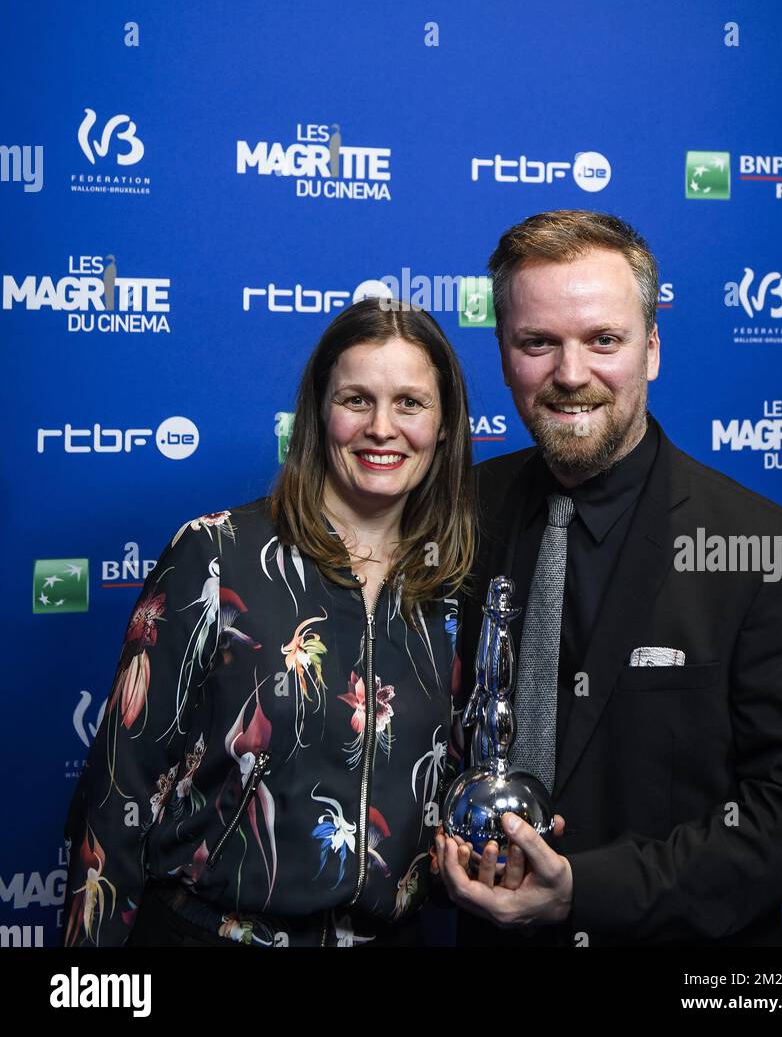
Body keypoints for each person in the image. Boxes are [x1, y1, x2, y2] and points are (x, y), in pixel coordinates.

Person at [435, 209, 782, 946]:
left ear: (652, 348)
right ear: (504, 353)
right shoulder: (457, 514)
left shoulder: (768, 551)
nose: (572, 375)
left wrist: (584, 890)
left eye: (604, 340)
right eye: (538, 342)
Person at [61, 298, 474, 948]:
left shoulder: (456, 589)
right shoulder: (217, 553)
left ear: (445, 424)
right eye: (357, 400)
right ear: (319, 414)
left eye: (411, 403)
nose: (382, 427)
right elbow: (119, 794)